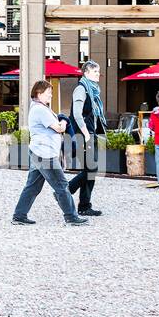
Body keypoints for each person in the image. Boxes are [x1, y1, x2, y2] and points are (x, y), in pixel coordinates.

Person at [12, 80, 88, 226]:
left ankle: (19, 215)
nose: (51, 96)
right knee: (61, 185)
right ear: (39, 93)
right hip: (44, 154)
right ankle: (71, 217)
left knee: (32, 186)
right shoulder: (40, 109)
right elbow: (58, 128)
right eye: (48, 93)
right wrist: (65, 121)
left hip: (38, 152)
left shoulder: (39, 107)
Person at [66, 60, 108, 216]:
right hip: (83, 135)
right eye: (95, 71)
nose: (98, 74)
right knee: (91, 168)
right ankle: (65, 191)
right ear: (86, 73)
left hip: (91, 134)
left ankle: (84, 206)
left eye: (98, 71)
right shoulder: (81, 89)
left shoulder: (94, 91)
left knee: (90, 169)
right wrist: (85, 134)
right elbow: (77, 114)